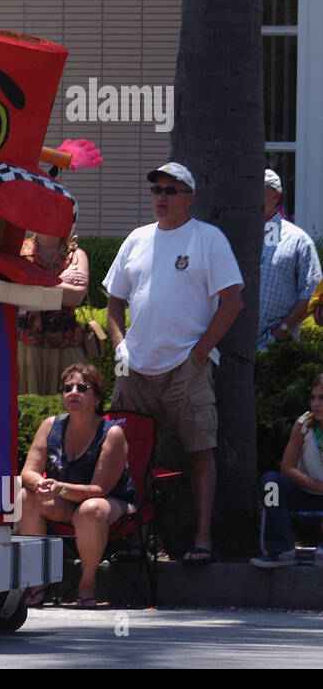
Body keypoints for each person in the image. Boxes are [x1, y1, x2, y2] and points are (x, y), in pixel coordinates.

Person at [104, 162, 243, 566]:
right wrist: (119, 347)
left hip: (187, 368)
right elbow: (115, 300)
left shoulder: (207, 239)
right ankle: (134, 539)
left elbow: (233, 301)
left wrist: (199, 354)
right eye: (156, 190)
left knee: (201, 451)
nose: (161, 197)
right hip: (134, 370)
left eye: (171, 190)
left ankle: (202, 538)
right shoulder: (136, 239)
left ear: (189, 197)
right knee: (131, 456)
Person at [16, 362, 137, 607]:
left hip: (111, 504)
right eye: (67, 387)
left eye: (82, 387)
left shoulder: (111, 433)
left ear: (97, 397)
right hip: (65, 502)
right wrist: (41, 484)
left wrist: (59, 488)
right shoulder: (50, 426)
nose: (73, 392)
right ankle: (37, 583)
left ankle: (87, 584)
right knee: (26, 497)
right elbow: (27, 472)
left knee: (90, 508)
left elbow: (99, 490)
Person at [251, 372, 323, 568]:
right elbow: (287, 469)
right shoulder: (303, 424)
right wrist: (317, 486)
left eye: (321, 398)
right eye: (313, 398)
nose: (315, 404)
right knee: (271, 483)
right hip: (304, 493)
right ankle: (281, 548)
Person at [15, 232, 91, 394]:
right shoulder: (18, 251)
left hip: (65, 345)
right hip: (27, 347)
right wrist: (58, 280)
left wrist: (33, 282)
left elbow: (74, 297)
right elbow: (15, 292)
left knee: (67, 403)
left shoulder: (76, 255)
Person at [258, 169, 321, 351]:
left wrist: (283, 330)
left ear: (276, 196)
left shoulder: (297, 240)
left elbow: (312, 291)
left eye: (259, 188)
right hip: (234, 349)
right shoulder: (236, 236)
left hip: (276, 347)